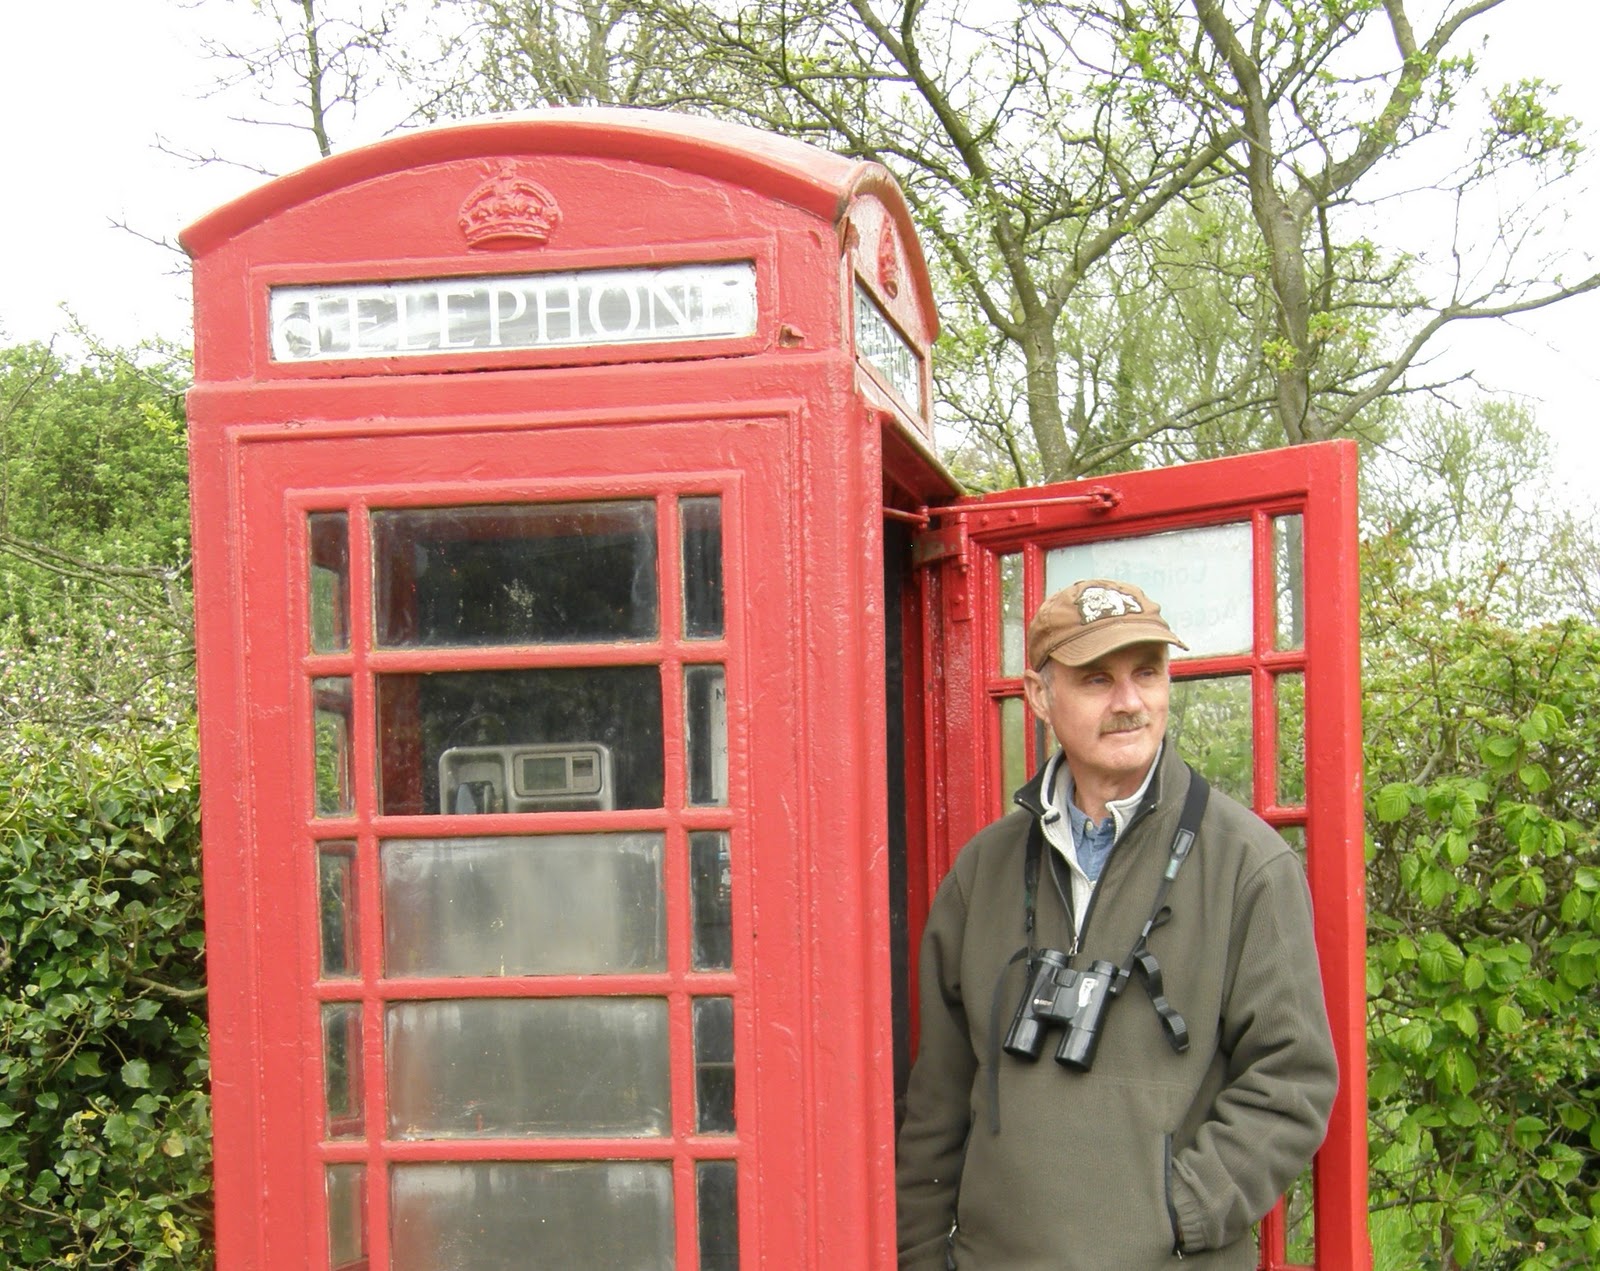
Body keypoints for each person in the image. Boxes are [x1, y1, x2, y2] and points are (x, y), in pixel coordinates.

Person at [896, 578, 1338, 1270]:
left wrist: (1180, 1209)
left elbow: (1294, 1081)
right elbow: (938, 1100)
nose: (1130, 701)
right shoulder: (982, 870)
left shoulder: (1248, 864)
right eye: (1097, 678)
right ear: (1040, 696)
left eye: (1148, 673)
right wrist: (921, 1258)